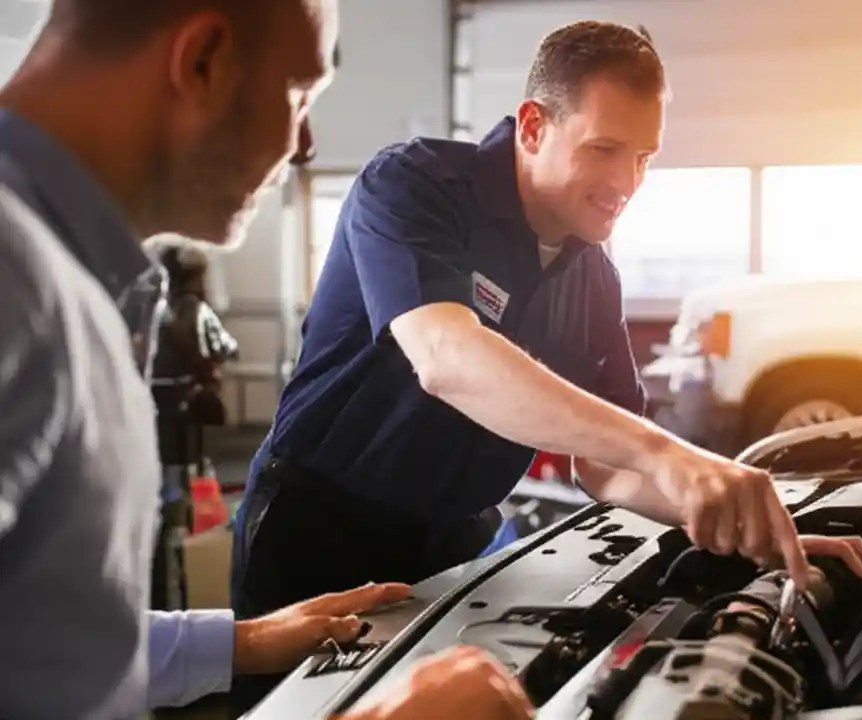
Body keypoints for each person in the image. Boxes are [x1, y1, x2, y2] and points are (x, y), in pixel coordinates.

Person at [233, 19, 862, 623]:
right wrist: (666, 452)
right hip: (317, 529)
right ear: (533, 127)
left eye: (644, 157)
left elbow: (603, 470)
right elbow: (445, 357)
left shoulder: (595, 277)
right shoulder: (415, 188)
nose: (626, 181)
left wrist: (744, 526)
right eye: (604, 148)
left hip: (453, 542)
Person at [0, 1, 532, 718]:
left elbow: (43, 637)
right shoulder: (15, 282)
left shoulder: (72, 280)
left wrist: (241, 643)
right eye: (299, 95)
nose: (305, 143)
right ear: (203, 63)